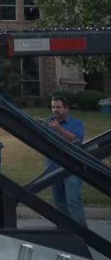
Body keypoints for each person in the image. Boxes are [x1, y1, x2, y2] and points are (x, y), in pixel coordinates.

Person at [45, 95, 87, 227]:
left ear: (66, 109)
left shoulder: (76, 123)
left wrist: (59, 128)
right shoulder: (48, 122)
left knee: (73, 201)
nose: (55, 110)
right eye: (53, 107)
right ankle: (65, 232)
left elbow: (77, 141)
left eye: (58, 107)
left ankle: (82, 234)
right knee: (59, 202)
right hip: (52, 167)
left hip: (71, 168)